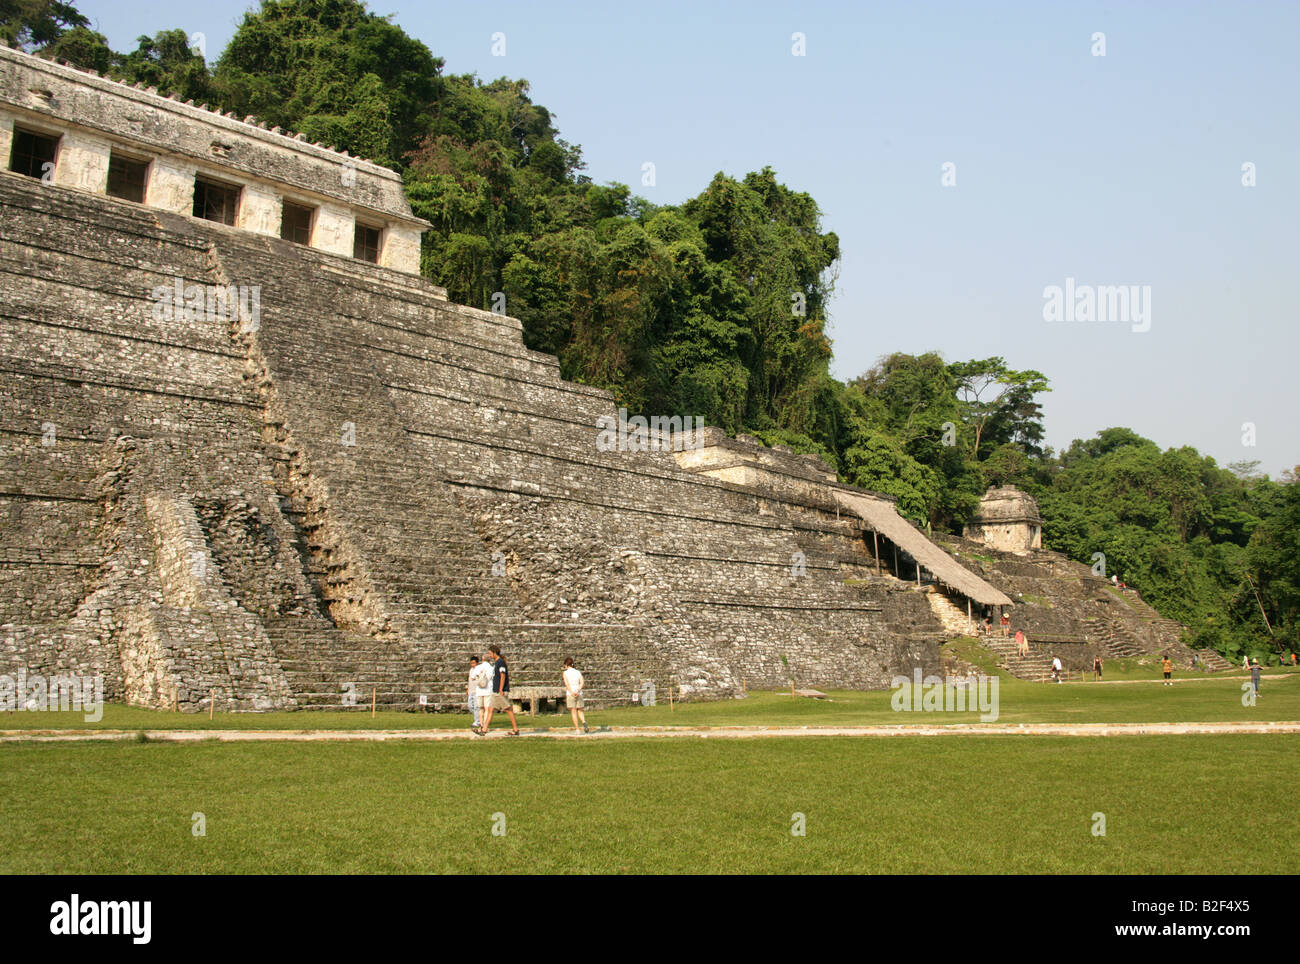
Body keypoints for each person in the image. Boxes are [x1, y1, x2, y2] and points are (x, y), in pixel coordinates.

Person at [477, 644, 519, 736]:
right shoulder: (497, 662)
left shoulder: (500, 662)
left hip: (499, 691)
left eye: (490, 653)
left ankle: (515, 729)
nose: (489, 655)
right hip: (495, 690)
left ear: (494, 653)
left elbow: (502, 675)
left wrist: (500, 689)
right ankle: (484, 730)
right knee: (490, 709)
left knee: (508, 710)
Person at [562, 656, 590, 733]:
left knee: (573, 712)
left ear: (566, 665)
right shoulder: (578, 672)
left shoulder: (565, 673)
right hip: (579, 693)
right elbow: (582, 683)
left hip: (570, 693)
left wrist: (571, 692)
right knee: (580, 710)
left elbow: (567, 684)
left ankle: (577, 729)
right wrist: (578, 690)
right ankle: (584, 721)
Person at [469, 655, 493, 732]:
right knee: (486, 709)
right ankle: (485, 726)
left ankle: (481, 724)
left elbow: (472, 677)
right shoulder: (491, 668)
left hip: (479, 690)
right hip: (488, 690)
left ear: (482, 660)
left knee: (481, 709)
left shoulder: (478, 667)